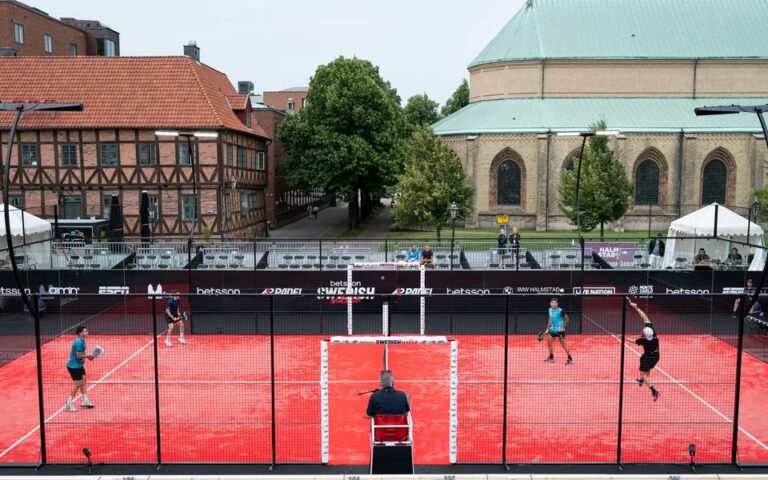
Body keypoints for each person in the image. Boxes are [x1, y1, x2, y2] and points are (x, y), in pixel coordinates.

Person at [628, 300, 661, 402]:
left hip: (648, 357)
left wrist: (622, 337)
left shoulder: (643, 340)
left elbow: (632, 341)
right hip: (656, 356)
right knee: (645, 368)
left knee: (644, 374)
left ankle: (654, 390)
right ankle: (641, 380)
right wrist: (636, 307)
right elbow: (644, 317)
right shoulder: (653, 333)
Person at [65, 326, 95, 412]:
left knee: (84, 380)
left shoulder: (82, 341)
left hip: (79, 365)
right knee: (77, 384)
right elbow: (78, 356)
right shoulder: (78, 342)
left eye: (87, 331)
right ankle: (69, 403)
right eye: (85, 331)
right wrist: (87, 356)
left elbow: (82, 354)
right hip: (74, 366)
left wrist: (89, 357)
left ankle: (85, 400)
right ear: (80, 333)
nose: (87, 332)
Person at [543, 297, 573, 365]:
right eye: (552, 302)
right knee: (549, 342)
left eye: (555, 303)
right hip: (552, 329)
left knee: (563, 344)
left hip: (560, 330)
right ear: (550, 303)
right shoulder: (549, 310)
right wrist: (547, 328)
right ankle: (551, 358)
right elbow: (550, 319)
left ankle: (570, 358)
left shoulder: (560, 311)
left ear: (557, 304)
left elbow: (567, 319)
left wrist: (563, 327)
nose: (553, 304)